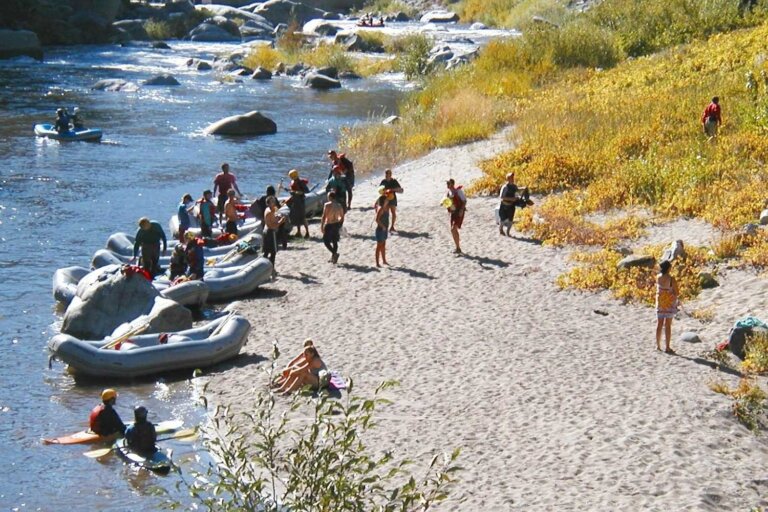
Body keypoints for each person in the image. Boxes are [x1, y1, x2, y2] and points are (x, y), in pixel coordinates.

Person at [655, 259, 680, 354]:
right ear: (668, 268)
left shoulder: (658, 277)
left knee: (659, 323)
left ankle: (658, 345)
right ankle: (667, 347)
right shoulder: (671, 279)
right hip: (669, 303)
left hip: (661, 302)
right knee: (668, 325)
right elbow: (677, 291)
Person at [498, 172, 531, 236]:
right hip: (504, 205)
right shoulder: (505, 187)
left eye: (513, 177)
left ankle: (508, 232)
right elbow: (501, 197)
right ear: (508, 179)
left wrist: (524, 189)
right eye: (511, 178)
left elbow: (517, 192)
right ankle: (501, 229)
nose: (513, 179)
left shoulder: (514, 186)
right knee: (503, 219)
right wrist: (511, 199)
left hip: (511, 206)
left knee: (510, 220)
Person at [263, 196, 286, 274]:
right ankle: (270, 269)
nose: (274, 203)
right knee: (272, 252)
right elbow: (271, 226)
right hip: (270, 233)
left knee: (267, 251)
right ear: (269, 203)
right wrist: (281, 222)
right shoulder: (269, 212)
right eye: (272, 202)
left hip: (268, 232)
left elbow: (274, 217)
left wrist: (277, 217)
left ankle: (268, 268)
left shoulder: (272, 210)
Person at [320, 190, 345, 264]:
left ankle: (334, 254)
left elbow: (324, 216)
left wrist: (322, 225)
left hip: (329, 224)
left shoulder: (327, 205)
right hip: (336, 223)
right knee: (334, 241)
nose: (327, 198)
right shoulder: (339, 205)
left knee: (326, 241)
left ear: (330, 197)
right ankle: (333, 257)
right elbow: (342, 217)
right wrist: (340, 225)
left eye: (328, 196)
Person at [286, 169, 310, 238]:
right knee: (297, 217)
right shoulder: (293, 182)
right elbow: (292, 191)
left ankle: (307, 232)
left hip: (300, 201)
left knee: (303, 217)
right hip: (295, 201)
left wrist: (300, 192)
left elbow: (307, 191)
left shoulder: (301, 182)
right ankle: (298, 232)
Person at [445, 178, 466, 254]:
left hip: (459, 212)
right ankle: (458, 248)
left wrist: (461, 210)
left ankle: (458, 248)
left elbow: (464, 201)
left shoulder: (458, 191)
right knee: (452, 230)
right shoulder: (448, 193)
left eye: (448, 183)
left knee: (454, 229)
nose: (447, 184)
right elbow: (447, 204)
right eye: (447, 183)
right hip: (453, 213)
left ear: (452, 184)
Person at [375, 186, 391, 267]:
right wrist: (383, 226)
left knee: (383, 245)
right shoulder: (380, 209)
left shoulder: (386, 208)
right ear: (383, 201)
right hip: (380, 229)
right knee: (379, 246)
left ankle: (384, 260)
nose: (387, 200)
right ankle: (377, 263)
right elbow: (377, 220)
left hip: (385, 229)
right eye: (386, 199)